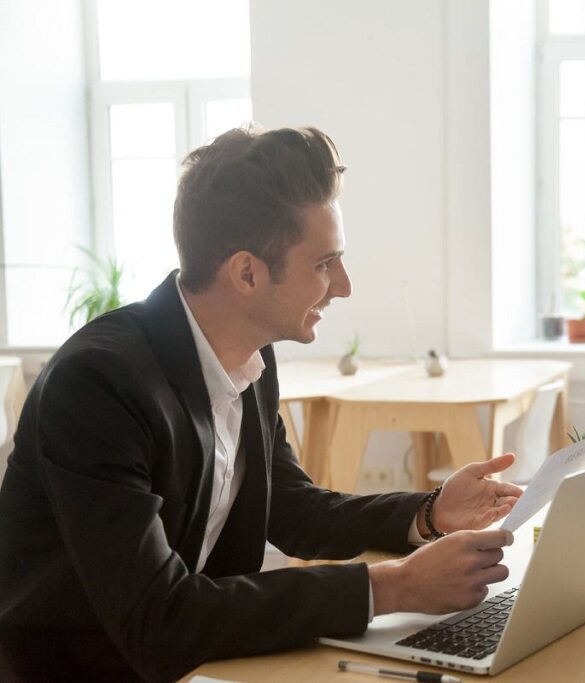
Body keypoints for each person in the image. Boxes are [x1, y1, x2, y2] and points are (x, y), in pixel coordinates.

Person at [0, 126, 521, 682]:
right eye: (325, 264)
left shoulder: (252, 357)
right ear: (247, 272)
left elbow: (295, 511)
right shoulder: (99, 384)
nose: (343, 287)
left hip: (189, 660)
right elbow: (158, 619)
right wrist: (393, 587)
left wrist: (428, 512)